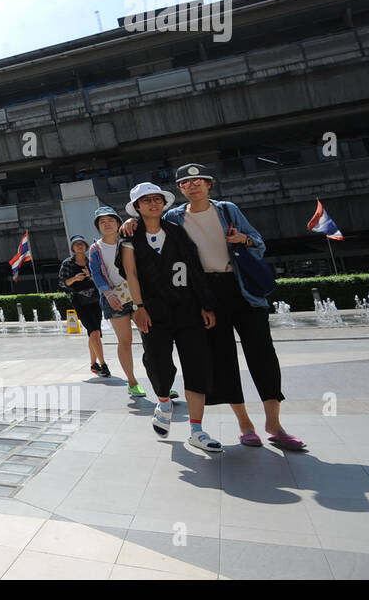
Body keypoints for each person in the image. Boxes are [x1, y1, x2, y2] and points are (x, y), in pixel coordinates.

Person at [123, 164, 302, 449]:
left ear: (209, 185)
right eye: (186, 183)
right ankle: (245, 426)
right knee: (222, 360)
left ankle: (274, 424)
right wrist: (128, 224)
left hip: (241, 288)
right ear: (180, 189)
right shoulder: (174, 217)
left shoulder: (228, 210)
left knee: (262, 354)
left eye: (198, 181)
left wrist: (242, 239)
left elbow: (258, 243)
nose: (193, 186)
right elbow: (147, 224)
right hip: (205, 294)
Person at [117, 182, 221, 452]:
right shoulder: (130, 238)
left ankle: (197, 430)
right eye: (146, 200)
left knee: (197, 364)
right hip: (153, 311)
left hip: (187, 308)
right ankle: (163, 402)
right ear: (137, 207)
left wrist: (204, 304)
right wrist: (138, 307)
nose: (153, 204)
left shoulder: (177, 232)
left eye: (157, 199)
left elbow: (194, 268)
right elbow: (132, 275)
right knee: (158, 362)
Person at [87, 206, 148, 397]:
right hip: (115, 299)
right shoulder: (95, 249)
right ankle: (132, 381)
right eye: (102, 222)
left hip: (138, 295)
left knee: (150, 338)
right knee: (125, 341)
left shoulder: (129, 240)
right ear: (98, 226)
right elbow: (96, 274)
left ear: (118, 223)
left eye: (110, 220)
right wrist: (108, 294)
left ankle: (160, 379)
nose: (107, 224)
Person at [59, 235, 108, 378]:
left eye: (82, 244)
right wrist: (75, 278)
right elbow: (62, 283)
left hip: (95, 301)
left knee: (95, 333)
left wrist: (90, 275)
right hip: (80, 302)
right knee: (93, 332)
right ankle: (104, 364)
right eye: (76, 244)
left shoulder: (92, 261)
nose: (80, 246)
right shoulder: (68, 264)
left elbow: (102, 279)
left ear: (86, 247)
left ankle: (94, 364)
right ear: (73, 248)